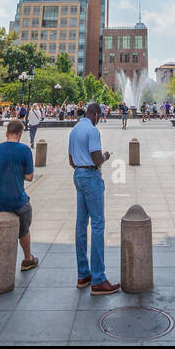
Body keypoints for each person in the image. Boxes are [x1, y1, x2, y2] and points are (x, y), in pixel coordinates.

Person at [68, 102, 119, 295]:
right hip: (91, 176)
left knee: (81, 225)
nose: (100, 118)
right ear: (96, 114)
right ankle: (98, 279)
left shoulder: (74, 129)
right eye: (101, 115)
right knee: (98, 224)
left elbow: (71, 160)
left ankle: (83, 274)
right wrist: (105, 156)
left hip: (78, 176)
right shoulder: (92, 130)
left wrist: (82, 168)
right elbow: (97, 159)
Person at [0, 119, 38, 272]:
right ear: (20, 134)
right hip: (17, 202)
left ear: (7, 133)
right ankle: (27, 259)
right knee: (24, 224)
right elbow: (30, 176)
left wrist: (0, 171)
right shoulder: (25, 150)